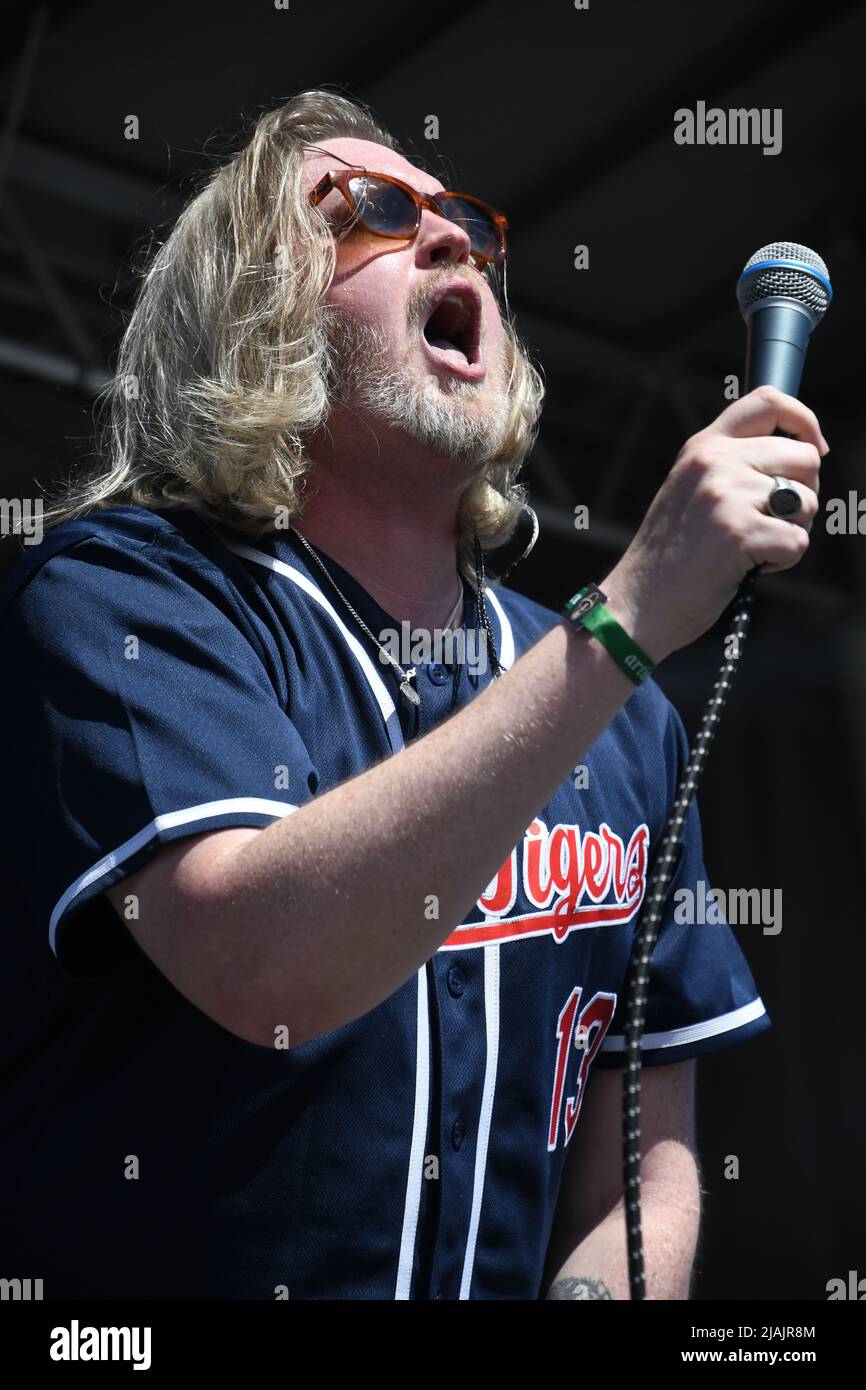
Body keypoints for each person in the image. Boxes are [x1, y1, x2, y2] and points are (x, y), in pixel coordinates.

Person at [0, 89, 826, 1301]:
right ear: (248, 313)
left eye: (467, 225)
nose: (453, 241)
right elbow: (261, 965)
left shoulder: (623, 708)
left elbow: (646, 1167)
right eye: (374, 212)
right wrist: (631, 615)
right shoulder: (122, 597)